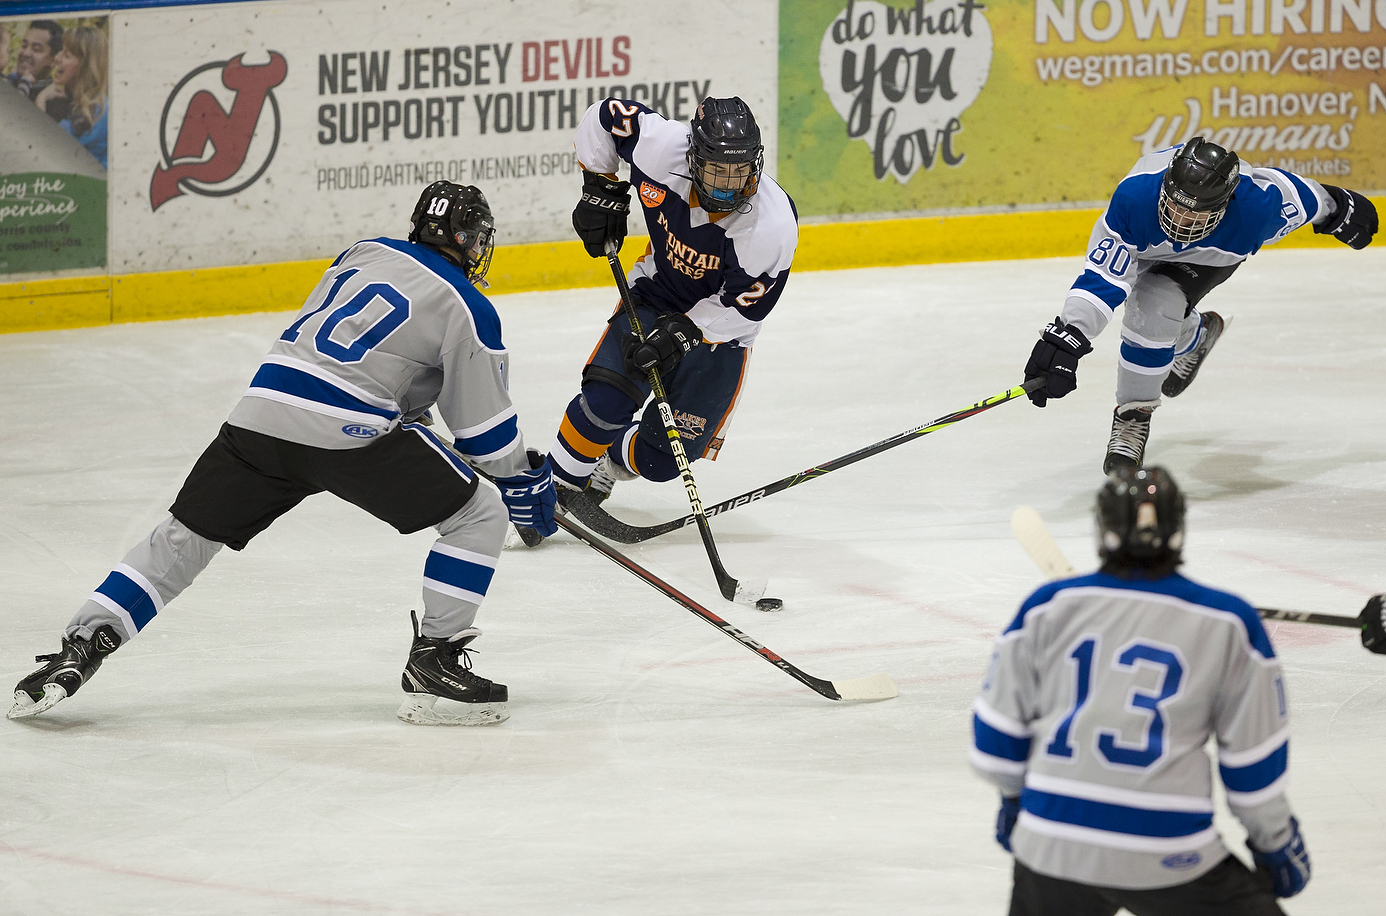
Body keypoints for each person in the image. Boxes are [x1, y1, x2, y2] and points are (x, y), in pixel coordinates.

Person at [9, 182, 557, 727]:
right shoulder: (469, 306)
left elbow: (361, 352)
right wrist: (521, 484)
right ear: (468, 240)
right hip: (346, 432)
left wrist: (408, 413)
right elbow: (484, 437)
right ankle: (434, 661)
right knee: (479, 512)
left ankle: (80, 646)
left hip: (261, 413)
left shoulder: (363, 252)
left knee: (185, 538)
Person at [971, 466, 1311, 915]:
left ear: (1103, 528)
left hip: (1052, 845)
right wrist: (1277, 845)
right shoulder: (1229, 622)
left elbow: (995, 743)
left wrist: (1018, 806)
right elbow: (1252, 771)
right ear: (1178, 529)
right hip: (1169, 852)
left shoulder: (1046, 608)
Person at [1022, 137, 1378, 474]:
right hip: (1144, 247)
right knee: (1154, 308)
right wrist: (1067, 336)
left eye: (1193, 215)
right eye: (1174, 207)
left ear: (1225, 205)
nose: (1179, 221)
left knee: (1152, 302)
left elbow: (1302, 195)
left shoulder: (1257, 208)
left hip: (1208, 258)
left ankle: (1133, 417)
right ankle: (1196, 335)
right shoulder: (1135, 198)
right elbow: (1103, 278)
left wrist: (1337, 207)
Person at [542, 95, 798, 538]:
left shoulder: (771, 225)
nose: (730, 185)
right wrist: (599, 188)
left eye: (740, 171)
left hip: (721, 335)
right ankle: (549, 493)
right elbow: (604, 116)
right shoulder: (662, 147)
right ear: (693, 156)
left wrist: (683, 334)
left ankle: (610, 457)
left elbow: (745, 308)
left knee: (661, 460)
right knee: (605, 400)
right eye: (718, 170)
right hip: (657, 293)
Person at [34, 25, 108, 169]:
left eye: (66, 55)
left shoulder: (97, 110)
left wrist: (40, 100)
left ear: (85, 67)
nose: (57, 58)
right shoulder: (75, 103)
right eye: (60, 51)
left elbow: (43, 150)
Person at [3, 20, 62, 100]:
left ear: (53, 60)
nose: (26, 53)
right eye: (24, 46)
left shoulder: (54, 98)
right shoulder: (7, 82)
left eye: (36, 49)